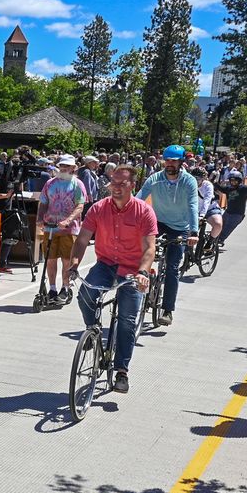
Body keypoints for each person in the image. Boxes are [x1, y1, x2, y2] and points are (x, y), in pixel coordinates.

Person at [68, 165, 158, 393]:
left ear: (132, 185)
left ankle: (121, 371)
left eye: (121, 184)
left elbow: (149, 248)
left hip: (133, 269)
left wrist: (143, 273)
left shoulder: (144, 211)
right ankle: (93, 329)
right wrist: (74, 265)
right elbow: (82, 240)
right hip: (106, 264)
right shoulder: (98, 208)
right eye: (113, 183)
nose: (115, 187)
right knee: (85, 294)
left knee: (127, 321)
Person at [136, 144, 199, 326]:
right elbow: (139, 199)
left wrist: (194, 231)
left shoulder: (189, 181)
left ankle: (167, 310)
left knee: (172, 268)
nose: (170, 164)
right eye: (167, 160)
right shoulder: (155, 178)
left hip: (179, 227)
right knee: (139, 257)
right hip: (158, 223)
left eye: (174, 161)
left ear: (181, 162)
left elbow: (193, 205)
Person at [37, 155, 87, 303]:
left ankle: (65, 288)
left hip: (69, 229)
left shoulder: (77, 184)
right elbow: (43, 202)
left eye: (67, 166)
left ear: (73, 168)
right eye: (62, 166)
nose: (64, 168)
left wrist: (68, 220)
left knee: (67, 260)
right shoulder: (50, 183)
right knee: (50, 259)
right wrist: (40, 218)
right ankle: (52, 289)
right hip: (50, 227)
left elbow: (80, 206)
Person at [0, 156, 25, 273]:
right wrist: (6, 195)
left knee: (9, 237)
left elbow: (19, 190)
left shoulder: (14, 179)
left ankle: (2, 263)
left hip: (9, 211)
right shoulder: (0, 178)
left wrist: (19, 182)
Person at [213, 170, 247, 245]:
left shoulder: (243, 188)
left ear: (239, 180)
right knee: (219, 227)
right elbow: (221, 188)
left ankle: (220, 240)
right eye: (231, 180)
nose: (233, 182)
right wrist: (215, 182)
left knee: (226, 230)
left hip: (237, 214)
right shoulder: (229, 188)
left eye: (235, 180)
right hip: (228, 212)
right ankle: (214, 240)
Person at [192, 167, 224, 242]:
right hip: (194, 210)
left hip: (210, 209)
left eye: (198, 178)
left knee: (218, 224)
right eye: (194, 178)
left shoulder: (208, 185)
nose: (196, 180)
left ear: (203, 179)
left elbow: (207, 201)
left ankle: (210, 242)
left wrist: (202, 215)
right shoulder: (188, 184)